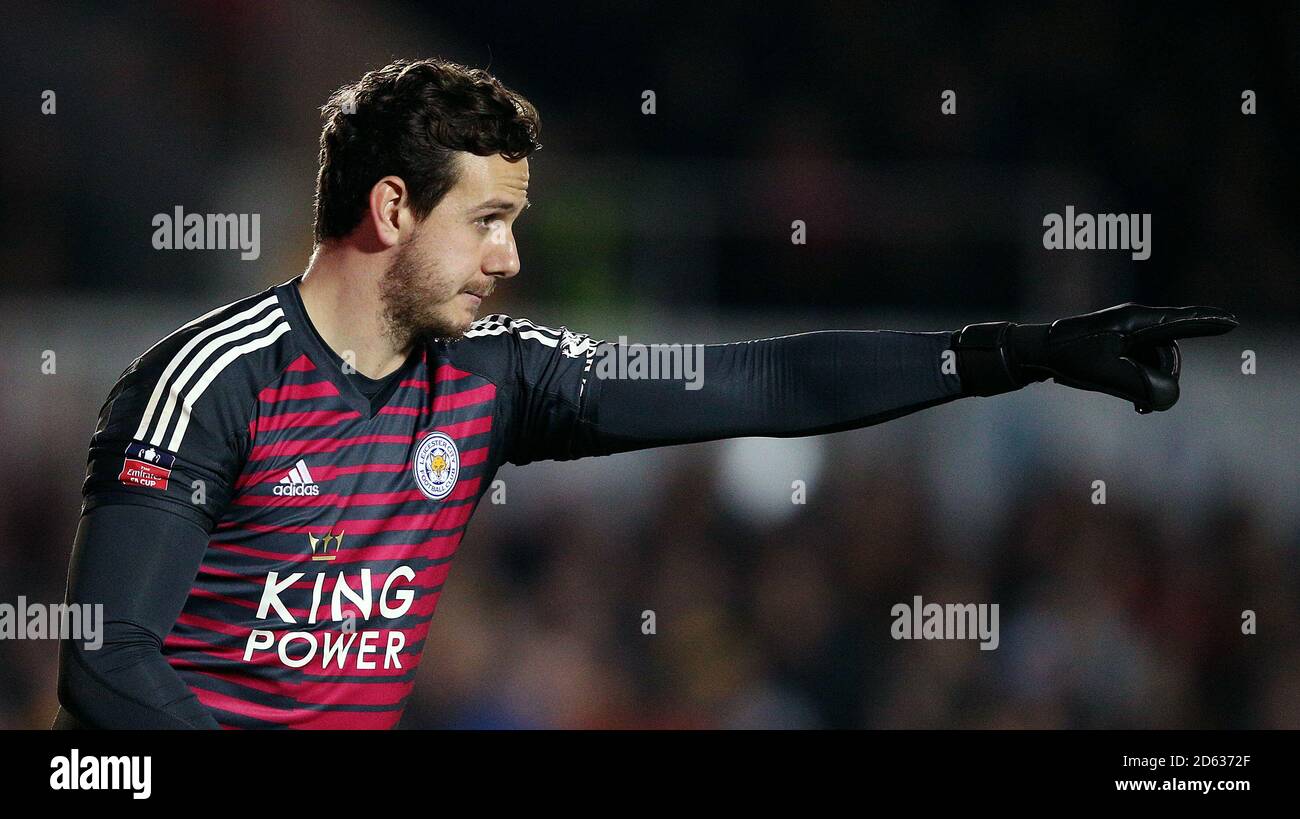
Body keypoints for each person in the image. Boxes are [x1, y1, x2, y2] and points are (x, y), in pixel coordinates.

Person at [53, 58, 1236, 729]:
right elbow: (106, 665)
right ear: (394, 209)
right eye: (488, 221)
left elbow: (763, 379)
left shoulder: (495, 377)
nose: (510, 257)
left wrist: (1019, 351)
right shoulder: (209, 383)